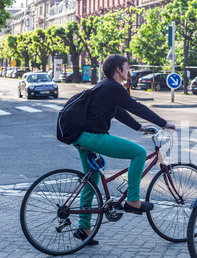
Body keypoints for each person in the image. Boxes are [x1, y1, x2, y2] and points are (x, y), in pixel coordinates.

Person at [72, 54, 175, 245]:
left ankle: (84, 229)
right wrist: (164, 123)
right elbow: (137, 107)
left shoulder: (105, 86)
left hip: (81, 136)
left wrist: (140, 128)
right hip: (93, 137)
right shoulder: (113, 87)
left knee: (92, 179)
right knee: (139, 153)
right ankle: (133, 201)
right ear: (119, 70)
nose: (130, 71)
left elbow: (119, 111)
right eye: (127, 67)